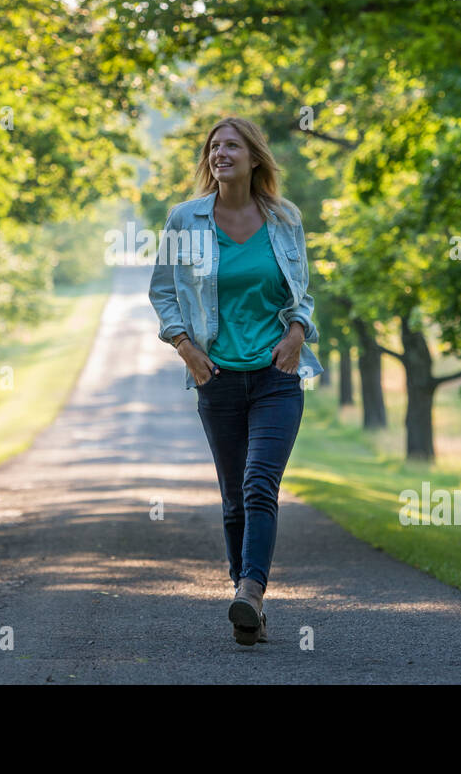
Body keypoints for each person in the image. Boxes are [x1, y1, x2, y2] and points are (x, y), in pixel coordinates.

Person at [147, 115, 324, 646]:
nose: (220, 153)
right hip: (217, 378)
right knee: (233, 499)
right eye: (213, 147)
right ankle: (247, 607)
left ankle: (250, 591)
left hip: (276, 378)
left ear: (253, 158)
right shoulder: (185, 220)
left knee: (258, 485)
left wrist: (296, 332)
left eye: (231, 145)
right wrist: (185, 347)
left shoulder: (284, 219)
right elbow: (163, 292)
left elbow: (303, 295)